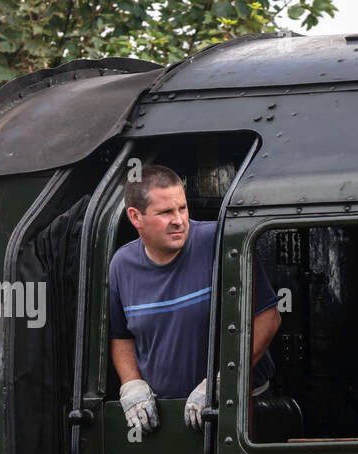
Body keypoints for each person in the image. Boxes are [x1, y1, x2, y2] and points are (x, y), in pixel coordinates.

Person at [108, 164, 281, 432]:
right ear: (135, 217)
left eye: (182, 208)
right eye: (165, 212)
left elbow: (268, 318)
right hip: (167, 420)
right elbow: (121, 336)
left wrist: (222, 383)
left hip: (240, 413)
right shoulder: (122, 265)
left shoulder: (219, 242)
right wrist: (132, 385)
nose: (178, 219)